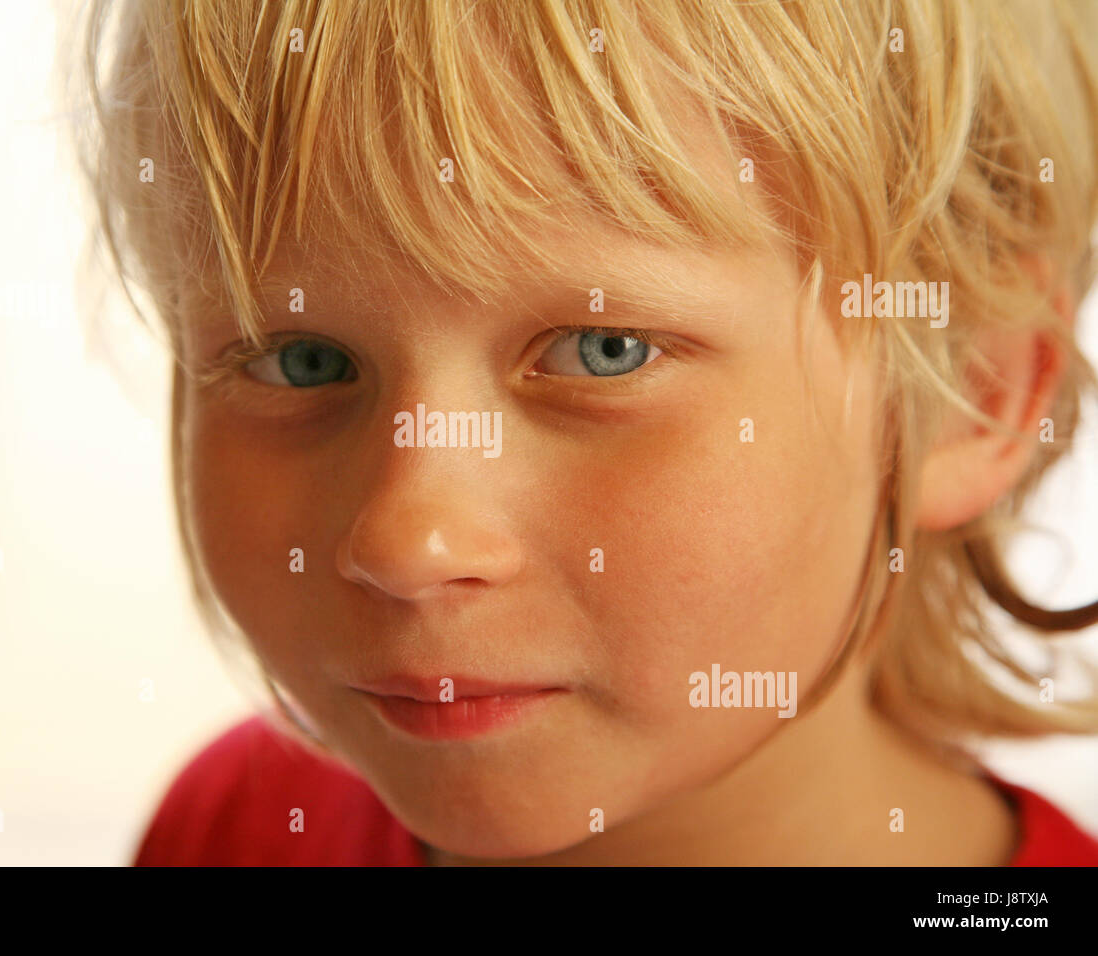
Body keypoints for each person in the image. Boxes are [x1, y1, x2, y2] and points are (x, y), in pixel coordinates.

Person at [74, 0, 1098, 865]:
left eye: (603, 348)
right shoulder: (236, 826)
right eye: (300, 359)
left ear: (971, 391)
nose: (407, 541)